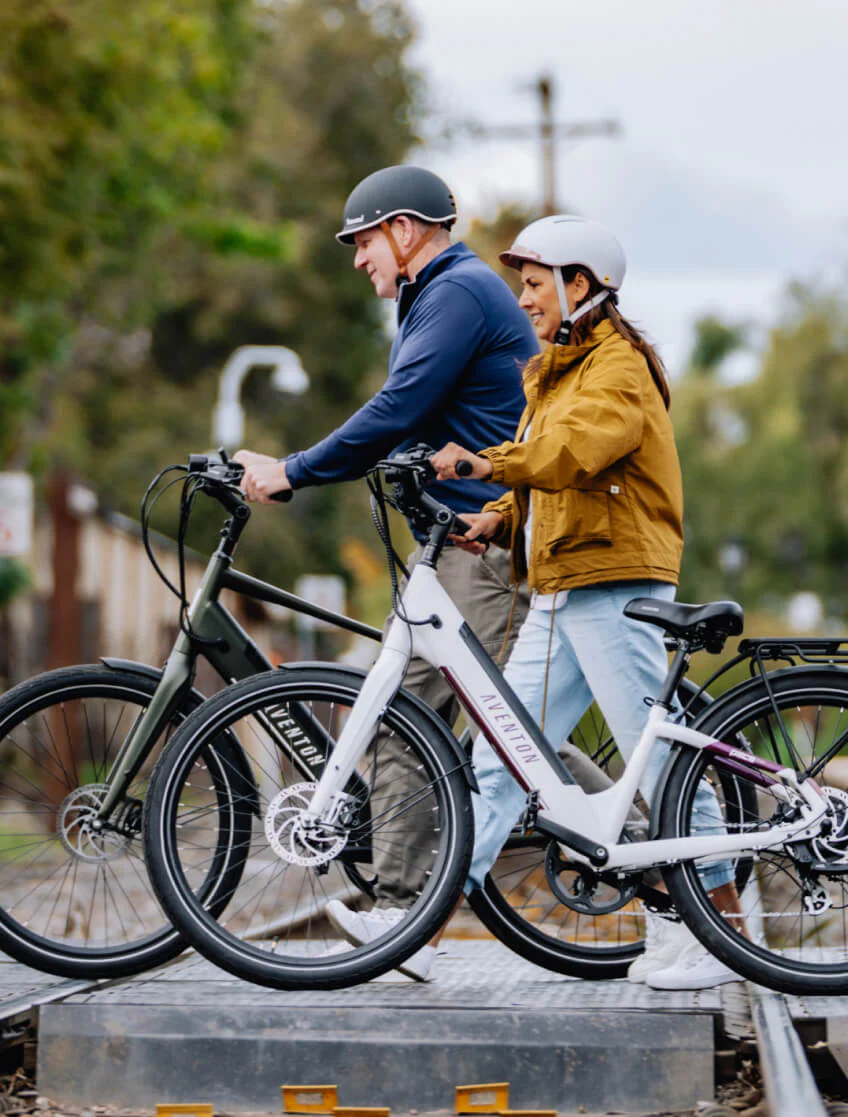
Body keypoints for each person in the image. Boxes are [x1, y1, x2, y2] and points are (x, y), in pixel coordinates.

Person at [234, 165, 536, 980]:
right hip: (454, 544)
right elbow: (414, 420)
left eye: (362, 241)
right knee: (410, 712)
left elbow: (398, 407)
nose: (359, 259)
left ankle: (675, 871)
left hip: (488, 547)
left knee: (509, 730)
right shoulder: (433, 296)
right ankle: (404, 916)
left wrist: (294, 469)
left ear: (404, 229)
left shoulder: (456, 291)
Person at [429, 214, 746, 991]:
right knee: (501, 756)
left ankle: (722, 932)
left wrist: (485, 460)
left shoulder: (618, 368)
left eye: (535, 284)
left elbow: (575, 451)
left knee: (660, 761)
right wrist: (498, 514)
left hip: (612, 586)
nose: (525, 298)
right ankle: (420, 926)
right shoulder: (561, 368)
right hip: (562, 586)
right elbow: (556, 473)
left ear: (581, 284)